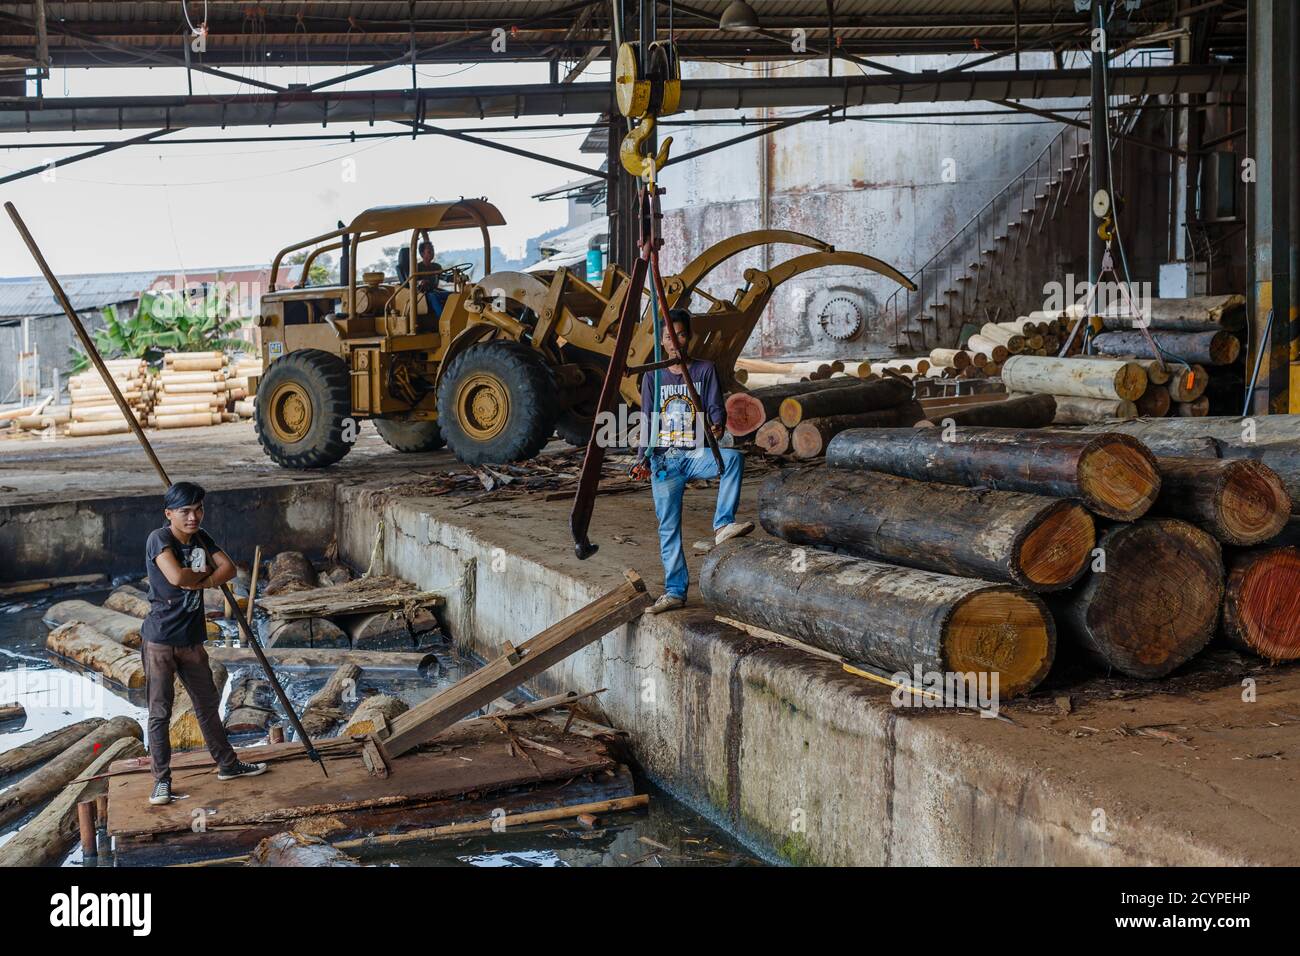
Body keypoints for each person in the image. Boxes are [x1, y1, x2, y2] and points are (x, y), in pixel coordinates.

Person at [141, 482, 267, 806]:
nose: (193, 517)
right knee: (159, 711)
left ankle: (228, 764)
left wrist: (208, 578)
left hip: (192, 640)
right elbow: (176, 577)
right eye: (185, 511)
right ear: (169, 513)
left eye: (198, 509)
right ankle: (161, 781)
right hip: (160, 641)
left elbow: (229, 569)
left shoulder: (201, 538)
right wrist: (208, 576)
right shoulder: (160, 538)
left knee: (208, 705)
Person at [630, 309, 753, 614]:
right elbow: (647, 420)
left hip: (696, 454)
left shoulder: (703, 370)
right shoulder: (652, 376)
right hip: (665, 460)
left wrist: (716, 424)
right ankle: (675, 591)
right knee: (668, 527)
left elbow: (714, 407)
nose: (675, 342)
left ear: (689, 337)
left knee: (733, 460)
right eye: (669, 337)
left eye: (681, 335)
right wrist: (642, 459)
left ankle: (723, 523)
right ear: (662, 340)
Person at [416, 240, 450, 318]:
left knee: (453, 295)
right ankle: (442, 320)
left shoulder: (436, 266)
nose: (432, 252)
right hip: (422, 295)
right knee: (433, 296)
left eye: (432, 250)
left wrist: (454, 277)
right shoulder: (417, 267)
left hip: (434, 291)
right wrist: (421, 282)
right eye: (429, 251)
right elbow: (413, 282)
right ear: (422, 254)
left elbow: (444, 276)